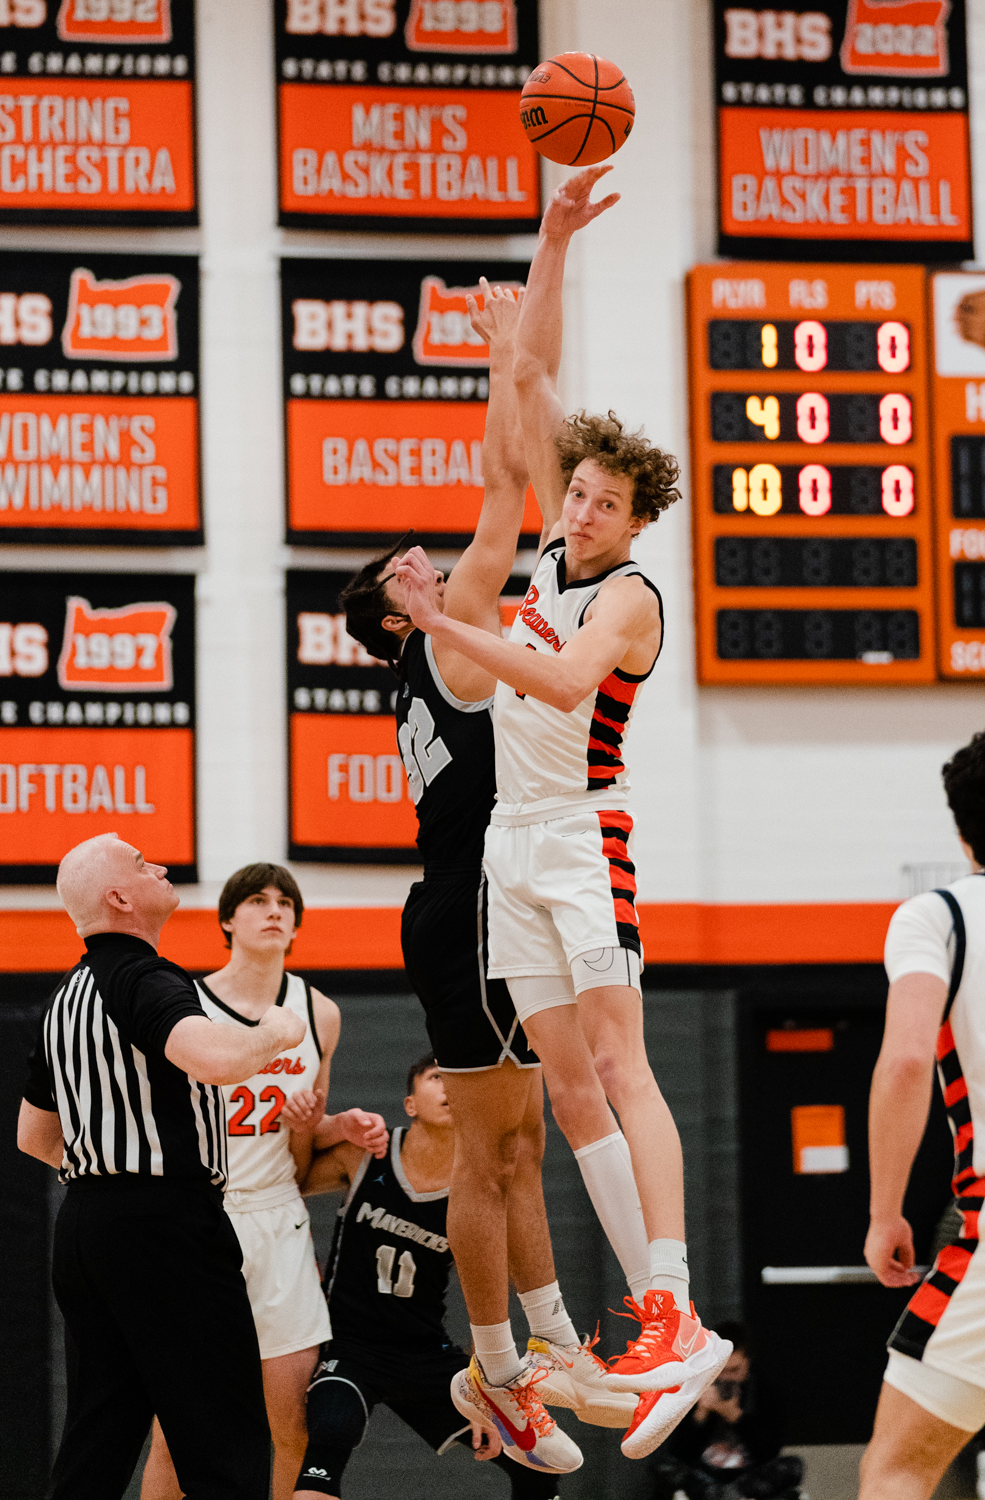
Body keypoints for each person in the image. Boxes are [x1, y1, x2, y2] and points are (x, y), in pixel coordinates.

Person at [394, 165, 731, 1461]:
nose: (579, 508)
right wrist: (551, 235)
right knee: (568, 1090)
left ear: (636, 518)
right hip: (510, 851)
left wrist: (445, 618)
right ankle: (643, 1326)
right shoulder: (549, 554)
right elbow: (530, 392)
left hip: (590, 836)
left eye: (601, 501)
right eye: (575, 493)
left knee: (622, 1065)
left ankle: (677, 1309)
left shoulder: (630, 595)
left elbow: (559, 677)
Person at [340, 282, 635, 1475]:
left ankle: (532, 1350)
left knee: (512, 1148)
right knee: (496, 1147)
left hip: (468, 899)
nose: (432, 558)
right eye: (404, 567)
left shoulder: (425, 673)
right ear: (398, 615)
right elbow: (507, 490)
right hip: (469, 906)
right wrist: (507, 365)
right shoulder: (449, 628)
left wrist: (516, 361)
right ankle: (504, 1362)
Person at [16, 833, 305, 1500]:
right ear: (120, 897)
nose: (163, 867)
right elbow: (215, 1059)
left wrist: (110, 1169)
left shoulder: (67, 997)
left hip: (86, 1227)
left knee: (97, 1440)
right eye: (144, 864)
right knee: (224, 1444)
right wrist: (277, 1032)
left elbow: (34, 1134)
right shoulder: (143, 975)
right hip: (165, 1227)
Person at [139, 863, 389, 1500]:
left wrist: (339, 1125)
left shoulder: (320, 1012)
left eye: (285, 902)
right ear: (227, 920)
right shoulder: (185, 1004)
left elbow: (299, 1143)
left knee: (292, 1419)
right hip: (202, 1217)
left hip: (278, 1216)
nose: (274, 910)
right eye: (256, 900)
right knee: (177, 1429)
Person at [292, 1054, 563, 1500]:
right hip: (349, 1345)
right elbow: (293, 1181)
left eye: (457, 1078)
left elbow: (495, 1291)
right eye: (437, 1077)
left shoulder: (481, 1187)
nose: (449, 1088)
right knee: (329, 1435)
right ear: (410, 1103)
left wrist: (485, 1392)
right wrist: (311, 1127)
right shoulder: (365, 1154)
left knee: (537, 1462)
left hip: (423, 1352)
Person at [861, 730, 985, 1500]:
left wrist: (883, 1212)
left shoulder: (939, 914)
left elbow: (907, 1060)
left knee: (899, 1468)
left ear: (963, 829)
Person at [649, 1323, 802, 1500]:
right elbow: (681, 1453)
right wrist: (701, 1414)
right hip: (706, 1473)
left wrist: (735, 1417)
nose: (726, 1377)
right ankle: (728, 1496)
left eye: (734, 1370)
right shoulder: (693, 1387)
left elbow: (769, 1452)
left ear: (748, 1361)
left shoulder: (766, 1392)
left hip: (748, 1474)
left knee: (793, 1466)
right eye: (720, 1370)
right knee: (662, 1465)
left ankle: (725, 1496)